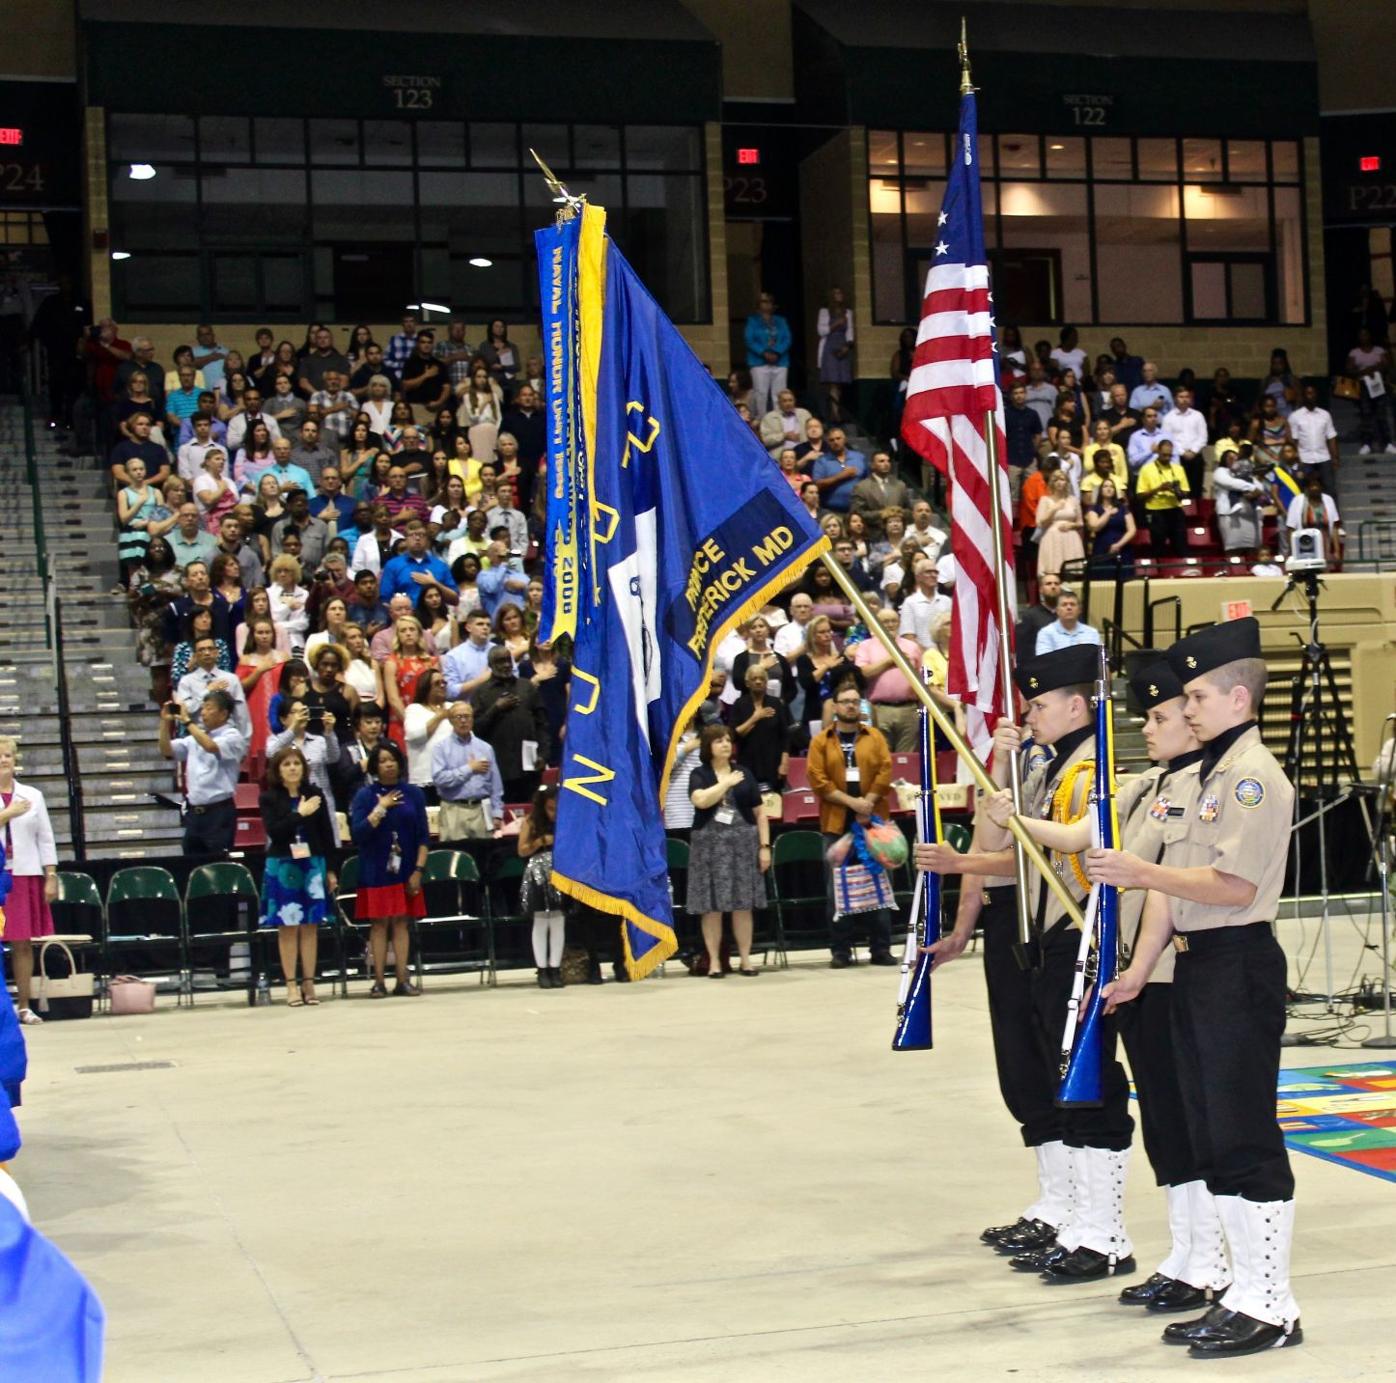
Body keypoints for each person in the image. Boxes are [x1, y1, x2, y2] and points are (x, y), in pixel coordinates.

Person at [1093, 619, 1301, 1355]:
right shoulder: (1212, 773)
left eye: (1198, 695)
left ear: (1238, 696)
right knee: (1212, 1136)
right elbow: (1174, 896)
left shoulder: (1251, 776)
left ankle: (1274, 1303)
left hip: (1237, 960)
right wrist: (1141, 969)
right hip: (1199, 961)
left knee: (1244, 1134)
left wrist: (1143, 872)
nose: (1187, 709)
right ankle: (1241, 1290)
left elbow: (1232, 882)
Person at [919, 644, 1134, 1280]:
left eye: (1038, 705)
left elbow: (1070, 843)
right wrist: (1005, 768)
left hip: (1079, 930)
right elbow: (997, 843)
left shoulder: (1095, 768)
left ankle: (1101, 1229)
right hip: (1039, 932)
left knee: (1085, 1083)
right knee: (1036, 1074)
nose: (1029, 714)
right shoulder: (1043, 764)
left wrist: (1000, 835)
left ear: (1077, 704)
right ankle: (1068, 1212)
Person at [807, 685, 895, 968]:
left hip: (873, 822)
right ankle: (840, 951)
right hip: (836, 823)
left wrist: (866, 802)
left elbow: (885, 770)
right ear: (834, 707)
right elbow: (818, 781)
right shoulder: (821, 741)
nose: (850, 706)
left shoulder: (875, 737)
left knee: (879, 884)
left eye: (855, 702)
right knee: (838, 889)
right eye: (845, 702)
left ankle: (880, 949)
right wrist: (852, 803)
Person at [686, 724, 771, 978]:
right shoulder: (699, 774)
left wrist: (764, 847)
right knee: (712, 907)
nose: (725, 744)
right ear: (708, 747)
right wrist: (725, 784)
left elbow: (760, 813)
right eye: (718, 741)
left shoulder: (744, 773)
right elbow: (700, 800)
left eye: (727, 739)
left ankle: (745, 960)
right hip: (709, 846)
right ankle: (714, 962)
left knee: (742, 904)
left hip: (743, 845)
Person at [259, 745, 336, 1008]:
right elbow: (276, 831)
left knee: (311, 926)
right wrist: (298, 814)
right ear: (278, 770)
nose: (292, 768)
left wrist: (331, 869)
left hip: (312, 863)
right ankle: (291, 984)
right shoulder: (270, 798)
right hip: (282, 864)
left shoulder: (315, 794)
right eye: (286, 764)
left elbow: (327, 834)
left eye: (296, 763)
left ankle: (309, 982)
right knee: (288, 927)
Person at [349, 745, 427, 997]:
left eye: (392, 760)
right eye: (382, 761)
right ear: (375, 766)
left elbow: (423, 836)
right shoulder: (364, 796)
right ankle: (379, 981)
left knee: (402, 922)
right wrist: (381, 808)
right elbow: (358, 834)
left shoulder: (414, 794)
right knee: (380, 925)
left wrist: (418, 869)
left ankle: (403, 979)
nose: (388, 764)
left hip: (405, 867)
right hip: (376, 867)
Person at [0, 738, 58, 1025]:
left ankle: (24, 1006)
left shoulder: (33, 795)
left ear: (15, 759)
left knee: (22, 944)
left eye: (7, 755)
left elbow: (45, 838)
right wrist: (6, 815)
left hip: (23, 875)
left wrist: (51, 875)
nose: (3, 760)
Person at [159, 689, 247, 854]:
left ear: (223, 714)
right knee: (190, 863)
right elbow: (167, 750)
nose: (203, 713)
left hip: (219, 813)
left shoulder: (233, 736)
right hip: (194, 813)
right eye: (203, 708)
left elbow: (211, 746)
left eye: (209, 708)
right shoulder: (194, 738)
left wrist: (187, 722)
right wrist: (164, 723)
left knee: (218, 864)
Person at [473, 646, 549, 804]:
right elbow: (477, 729)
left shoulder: (526, 687)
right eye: (501, 661)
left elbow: (541, 724)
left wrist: (543, 754)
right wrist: (496, 708)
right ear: (490, 664)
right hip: (499, 768)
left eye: (509, 660)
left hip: (529, 767)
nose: (507, 665)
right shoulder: (481, 692)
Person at [853, 606, 924, 753]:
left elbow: (922, 678)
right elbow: (862, 673)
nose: (890, 625)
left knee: (907, 758)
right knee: (880, 755)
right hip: (879, 709)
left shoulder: (912, 647)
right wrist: (889, 661)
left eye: (893, 621)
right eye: (885, 621)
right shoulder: (866, 646)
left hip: (909, 709)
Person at [518, 785, 568, 989]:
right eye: (550, 809)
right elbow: (521, 850)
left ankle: (555, 967)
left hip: (560, 870)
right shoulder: (531, 821)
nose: (554, 813)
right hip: (538, 873)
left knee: (558, 919)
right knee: (541, 919)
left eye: (557, 808)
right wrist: (539, 842)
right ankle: (542, 968)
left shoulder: (566, 820)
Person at [431, 702, 504, 840]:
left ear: (472, 719)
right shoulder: (440, 748)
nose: (463, 720)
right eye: (458, 717)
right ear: (451, 721)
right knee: (455, 856)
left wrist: (497, 813)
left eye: (467, 716)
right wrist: (469, 769)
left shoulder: (485, 748)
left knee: (484, 857)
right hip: (454, 809)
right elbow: (439, 779)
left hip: (481, 810)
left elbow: (496, 785)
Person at [730, 662, 792, 793]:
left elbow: (785, 736)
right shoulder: (740, 704)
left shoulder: (775, 704)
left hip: (773, 764)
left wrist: (784, 762)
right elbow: (735, 734)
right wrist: (755, 717)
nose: (758, 682)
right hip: (748, 763)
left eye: (762, 679)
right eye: (754, 679)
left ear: (766, 682)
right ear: (747, 683)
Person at [382, 616, 438, 752]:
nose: (408, 633)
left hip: (429, 719)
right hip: (402, 721)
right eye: (403, 630)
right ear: (398, 636)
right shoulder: (392, 663)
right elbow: (393, 699)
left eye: (412, 629)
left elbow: (438, 694)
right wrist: (412, 724)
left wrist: (429, 722)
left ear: (419, 634)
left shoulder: (432, 662)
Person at [237, 617, 288, 767]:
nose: (264, 636)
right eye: (260, 632)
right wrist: (258, 671)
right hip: (255, 707)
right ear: (253, 635)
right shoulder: (246, 660)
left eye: (267, 632)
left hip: (280, 706)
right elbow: (240, 686)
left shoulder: (283, 657)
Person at [402, 668, 456, 796]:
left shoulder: (452, 707)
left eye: (444, 682)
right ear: (425, 687)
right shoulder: (414, 709)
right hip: (424, 778)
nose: (442, 685)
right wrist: (439, 716)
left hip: (452, 778)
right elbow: (414, 736)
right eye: (437, 683)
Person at [1345, 327, 1395, 455]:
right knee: (1366, 416)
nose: (1364, 337)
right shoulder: (1354, 352)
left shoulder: (1379, 350)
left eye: (1366, 334)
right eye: (1361, 335)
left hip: (1378, 384)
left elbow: (1388, 365)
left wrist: (1377, 368)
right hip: (1363, 386)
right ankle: (1366, 444)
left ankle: (1387, 444)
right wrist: (1365, 371)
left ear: (1370, 336)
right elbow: (1349, 370)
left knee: (1381, 415)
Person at [1137, 439, 1190, 558]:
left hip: (1175, 510)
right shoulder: (1146, 469)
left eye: (1169, 455)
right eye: (1164, 455)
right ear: (1158, 452)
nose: (1167, 458)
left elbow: (1185, 493)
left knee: (1181, 546)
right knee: (1158, 548)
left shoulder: (1178, 469)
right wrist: (1158, 489)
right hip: (1156, 512)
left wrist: (1176, 491)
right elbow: (1140, 495)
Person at [744, 290, 792, 416]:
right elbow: (749, 339)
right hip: (759, 361)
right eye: (764, 302)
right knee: (761, 393)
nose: (767, 305)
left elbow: (787, 338)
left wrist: (777, 352)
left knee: (780, 393)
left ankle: (779, 421)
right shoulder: (752, 321)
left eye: (770, 302)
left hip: (779, 361)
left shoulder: (781, 320)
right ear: (758, 304)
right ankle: (761, 421)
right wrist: (764, 353)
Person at [1212, 452, 1267, 558]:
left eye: (1236, 457)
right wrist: (1252, 488)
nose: (1234, 459)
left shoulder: (1245, 473)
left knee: (1252, 549)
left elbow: (1260, 487)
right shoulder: (1220, 471)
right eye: (1230, 457)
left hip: (1250, 516)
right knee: (1233, 549)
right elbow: (1230, 483)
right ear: (1223, 459)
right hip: (1231, 516)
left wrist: (1255, 491)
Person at [1288, 383, 1340, 496]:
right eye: (1307, 393)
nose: (1309, 396)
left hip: (1324, 457)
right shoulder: (1295, 416)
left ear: (1316, 395)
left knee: (1330, 490)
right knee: (1304, 490)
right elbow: (1293, 440)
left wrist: (1335, 458)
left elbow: (1331, 437)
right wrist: (1297, 460)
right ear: (1303, 396)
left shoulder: (1325, 415)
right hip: (1304, 459)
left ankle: (1331, 513)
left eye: (1312, 393)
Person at [1034, 470, 1085, 580]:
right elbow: (1040, 522)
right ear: (1051, 483)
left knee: (1071, 574)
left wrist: (1071, 526)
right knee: (1053, 573)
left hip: (1070, 538)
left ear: (1067, 482)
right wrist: (1054, 508)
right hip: (1052, 538)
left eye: (1062, 479)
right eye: (1056, 480)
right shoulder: (1045, 500)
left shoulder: (1073, 500)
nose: (1059, 482)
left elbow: (1080, 523)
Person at [1161, 386, 1208, 496]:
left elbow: (1203, 437)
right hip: (1177, 458)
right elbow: (1168, 439)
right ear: (1175, 399)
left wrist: (1193, 451)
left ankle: (1194, 513)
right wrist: (1182, 452)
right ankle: (1183, 512)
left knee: (1196, 488)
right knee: (1180, 489)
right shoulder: (1168, 418)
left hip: (1196, 457)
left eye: (1187, 396)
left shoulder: (1198, 415)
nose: (1184, 399)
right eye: (1181, 396)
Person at [1286, 474, 1343, 563]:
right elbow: (1290, 528)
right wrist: (1293, 551)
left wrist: (1337, 551)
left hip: (1324, 544)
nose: (1315, 488)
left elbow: (1335, 527)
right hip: (1304, 545)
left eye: (1317, 485)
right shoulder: (1297, 501)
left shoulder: (1328, 500)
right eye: (1312, 486)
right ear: (1307, 488)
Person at [816, 286, 854, 421]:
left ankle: (836, 409)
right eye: (836, 293)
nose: (839, 295)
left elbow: (850, 331)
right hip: (830, 345)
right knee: (832, 381)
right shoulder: (825, 311)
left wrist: (847, 346)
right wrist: (837, 323)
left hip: (842, 344)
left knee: (840, 381)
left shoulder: (848, 312)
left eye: (840, 292)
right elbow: (821, 331)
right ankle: (834, 412)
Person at [1085, 478, 1136, 575]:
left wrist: (1118, 545)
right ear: (1100, 490)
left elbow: (1132, 530)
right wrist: (1107, 513)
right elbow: (1095, 527)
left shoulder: (1122, 508)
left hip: (1123, 548)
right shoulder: (1094, 509)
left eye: (1111, 487)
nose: (1109, 489)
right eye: (1105, 486)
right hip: (1102, 549)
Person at [811, 427, 867, 514]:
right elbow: (817, 485)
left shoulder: (859, 457)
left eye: (838, 438)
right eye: (831, 440)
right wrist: (842, 476)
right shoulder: (822, 461)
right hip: (831, 511)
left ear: (844, 439)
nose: (835, 442)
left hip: (858, 511)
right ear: (827, 442)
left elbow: (868, 481)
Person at [1035, 588, 1101, 653]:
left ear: (1080, 610)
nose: (1069, 608)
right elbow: (1043, 661)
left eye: (1072, 604)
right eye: (1064, 605)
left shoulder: (1092, 633)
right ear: (1057, 610)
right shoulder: (1046, 633)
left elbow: (1099, 660)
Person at [758, 388, 812, 460]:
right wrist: (784, 436)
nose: (788, 403)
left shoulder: (804, 414)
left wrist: (802, 436)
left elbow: (813, 432)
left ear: (794, 401)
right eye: (784, 401)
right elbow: (765, 440)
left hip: (802, 454)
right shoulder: (769, 417)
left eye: (790, 400)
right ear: (779, 403)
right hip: (779, 456)